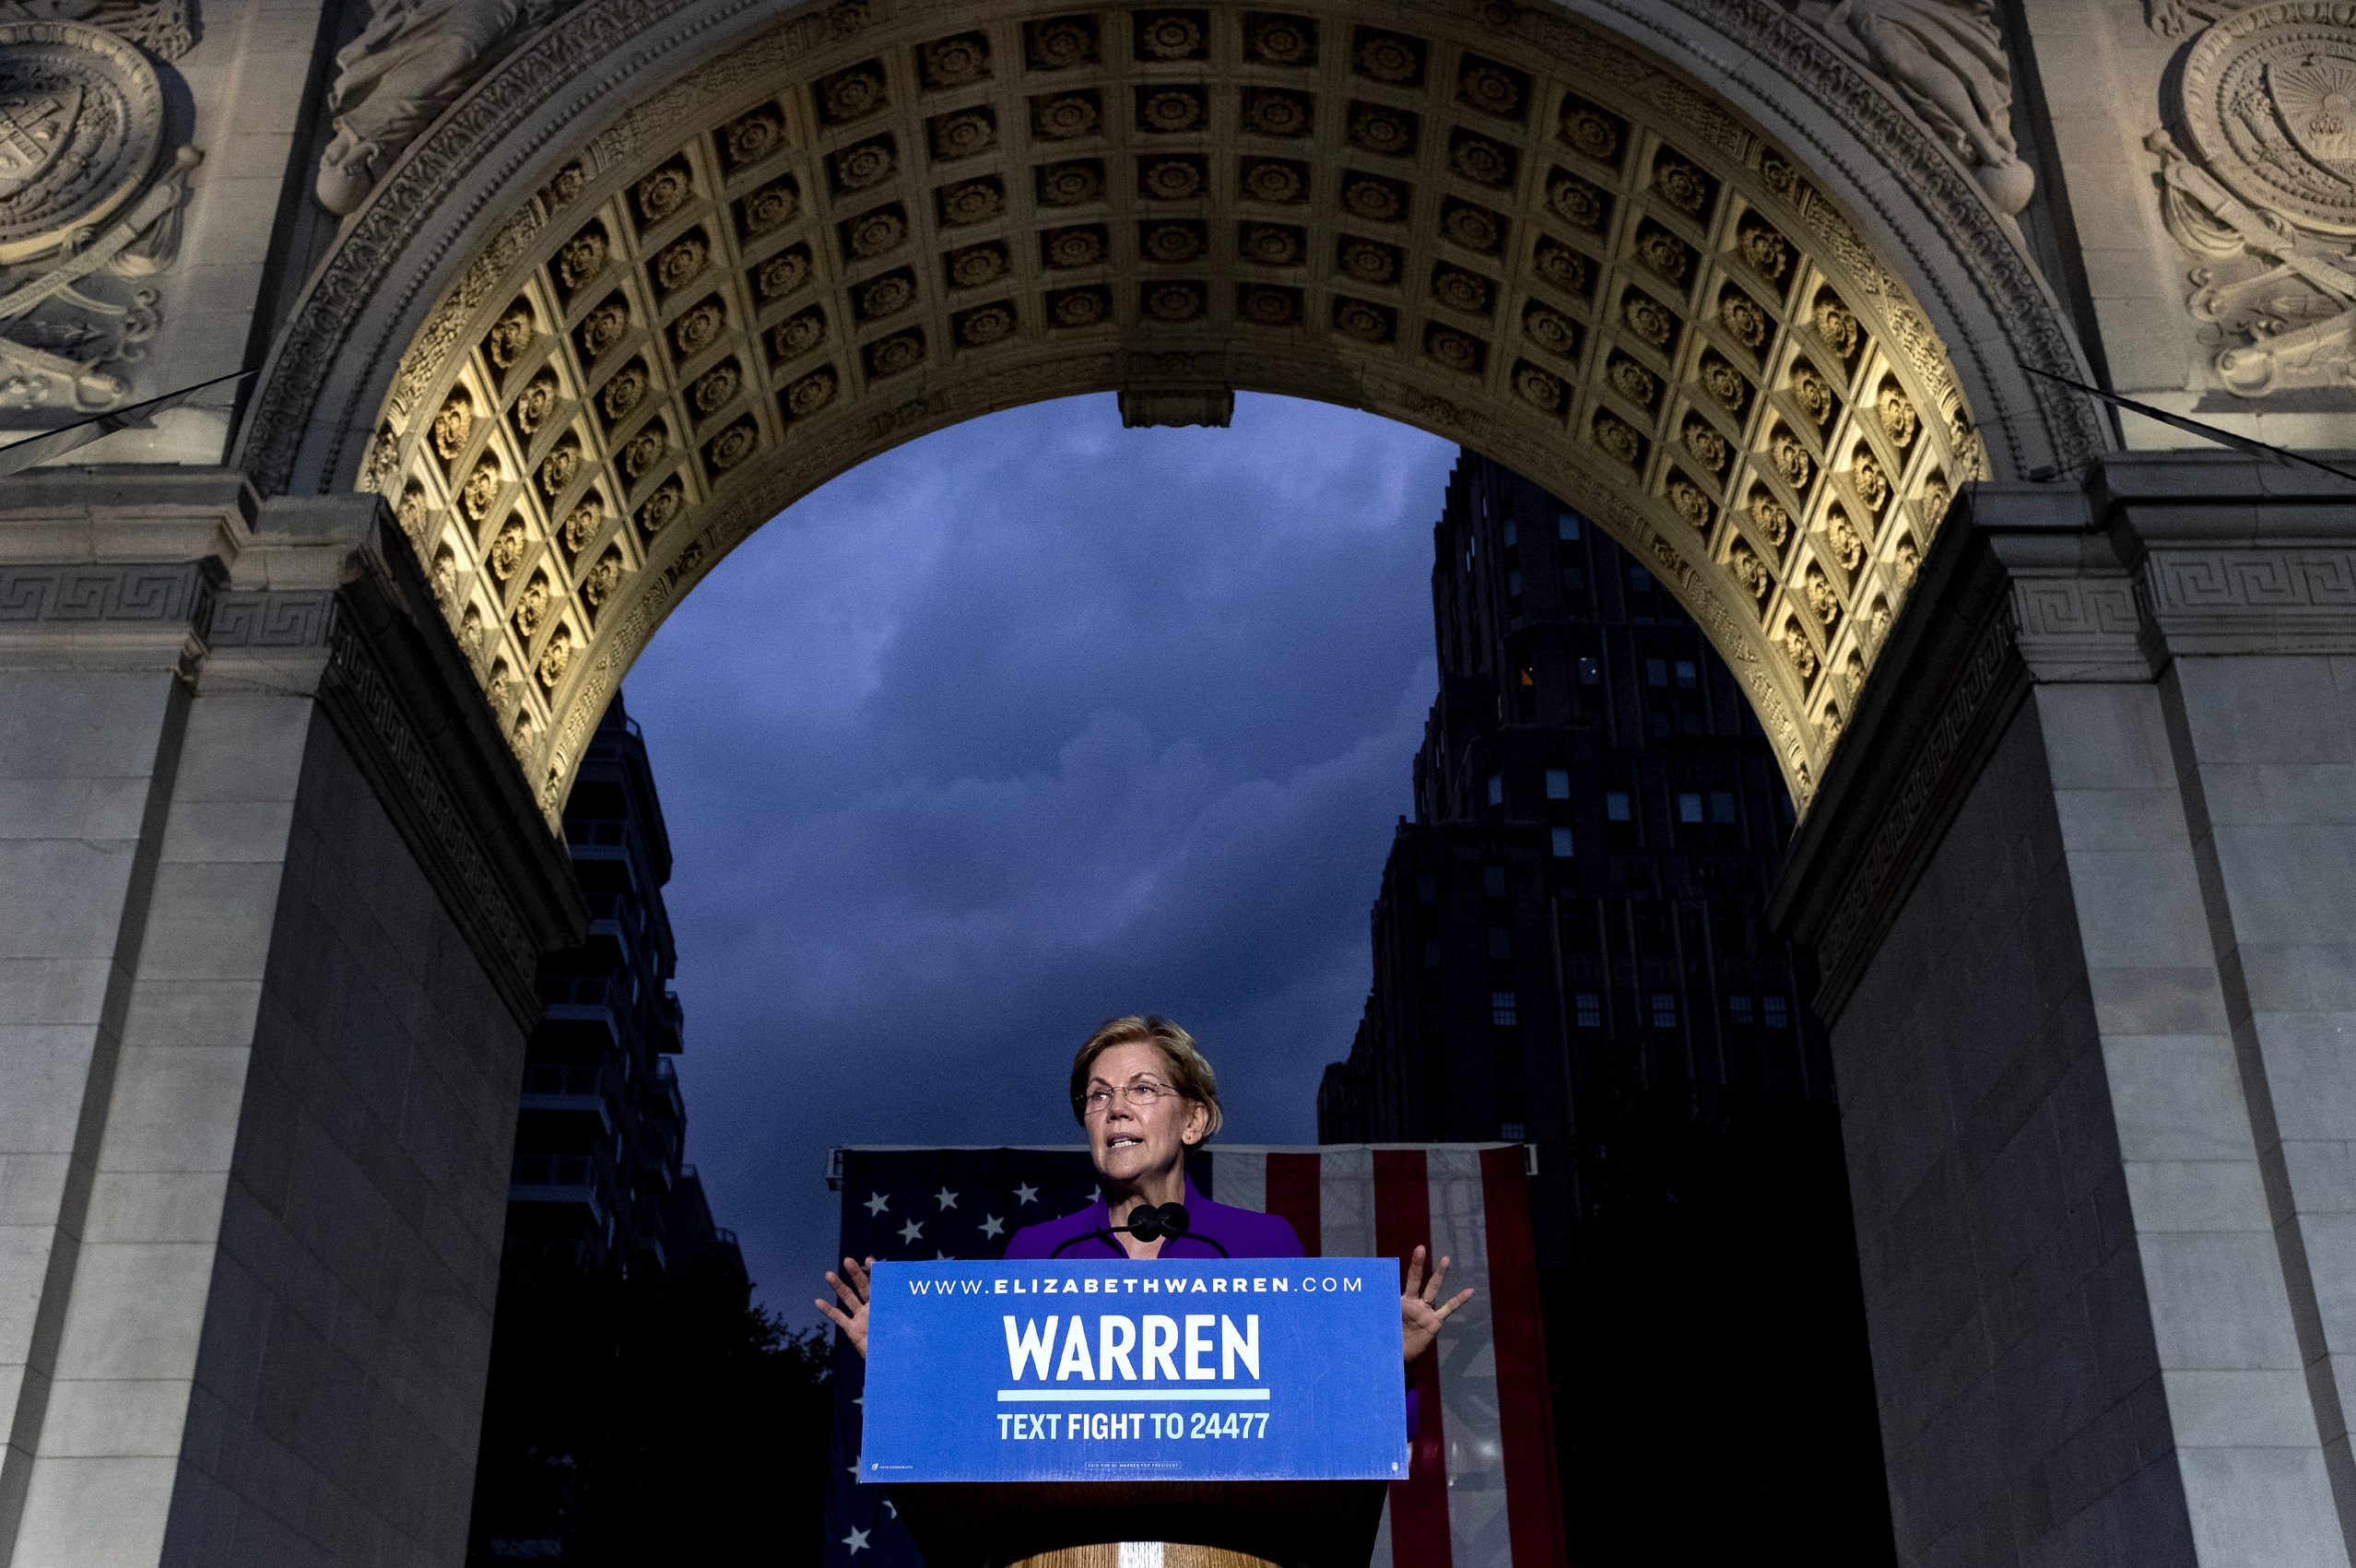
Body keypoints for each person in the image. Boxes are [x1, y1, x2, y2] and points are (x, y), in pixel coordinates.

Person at [818, 1015, 1473, 1384]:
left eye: (1141, 1089)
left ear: (1193, 1121)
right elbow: (989, 1405)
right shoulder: (1038, 1252)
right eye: (1098, 1095)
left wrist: (1389, 1363)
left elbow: (1312, 1399)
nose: (1114, 1107)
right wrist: (901, 1368)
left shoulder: (1261, 1245)